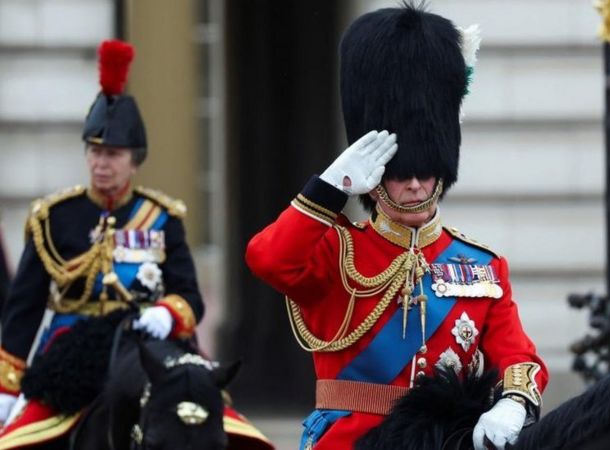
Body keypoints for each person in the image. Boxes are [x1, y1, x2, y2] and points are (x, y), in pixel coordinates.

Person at [245, 5, 548, 449]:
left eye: (425, 171)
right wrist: (331, 188)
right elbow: (267, 258)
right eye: (400, 171)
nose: (413, 182)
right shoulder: (337, 249)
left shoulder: (482, 267)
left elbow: (519, 356)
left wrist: (513, 403)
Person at [0, 40, 271, 449]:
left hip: (150, 344)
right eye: (94, 151)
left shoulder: (162, 217)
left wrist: (167, 313)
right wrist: (6, 387)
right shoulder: (53, 217)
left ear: (134, 159)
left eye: (112, 153)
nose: (100, 163)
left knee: (226, 424)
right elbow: (23, 311)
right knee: (19, 441)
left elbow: (189, 297)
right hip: (72, 350)